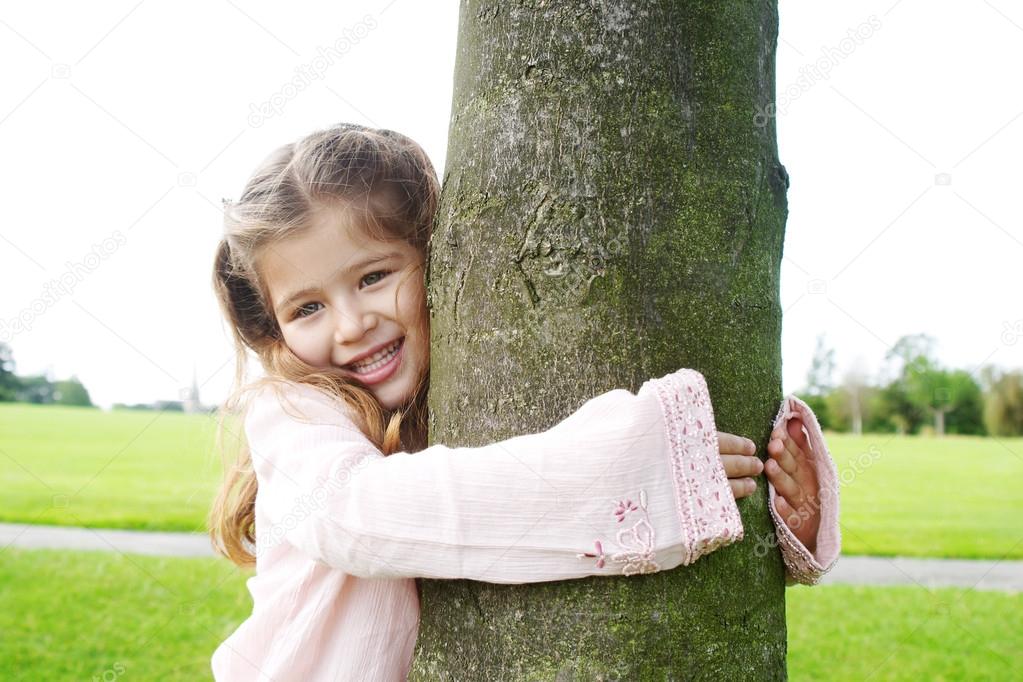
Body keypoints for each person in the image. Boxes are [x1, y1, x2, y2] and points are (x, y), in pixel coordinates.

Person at [207, 123, 840, 681]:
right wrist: (629, 473)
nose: (350, 325)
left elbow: (496, 531)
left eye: (374, 277)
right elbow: (356, 516)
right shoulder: (293, 412)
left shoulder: (445, 403)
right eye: (308, 308)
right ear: (275, 328)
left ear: (443, 262)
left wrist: (787, 520)